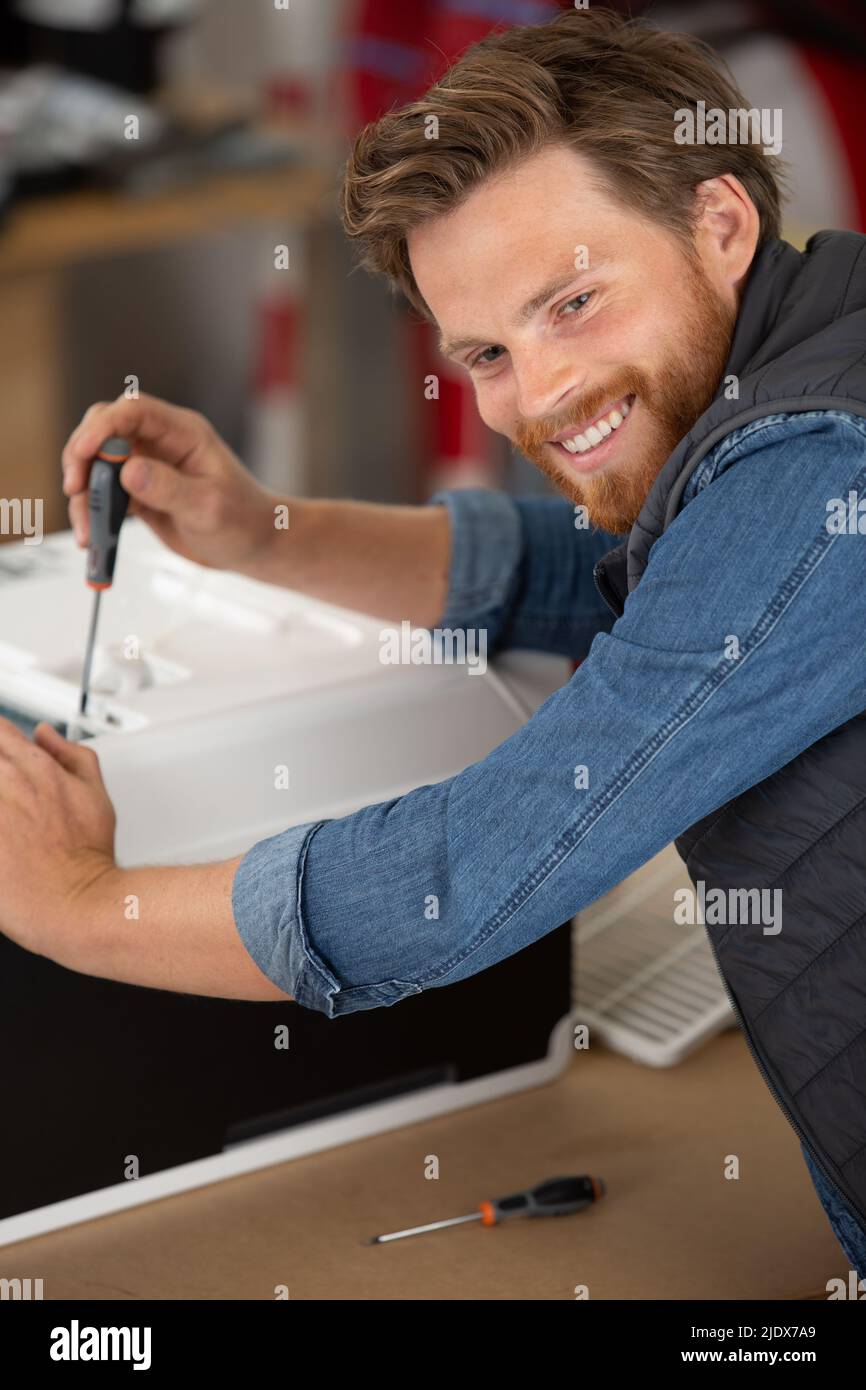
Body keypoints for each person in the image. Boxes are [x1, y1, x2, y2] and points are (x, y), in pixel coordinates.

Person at [1, 8, 865, 1279]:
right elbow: (620, 581)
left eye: (573, 302)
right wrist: (261, 531)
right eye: (486, 353)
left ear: (718, 225)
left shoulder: (818, 475)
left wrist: (76, 905)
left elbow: (467, 870)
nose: (543, 392)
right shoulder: (796, 375)